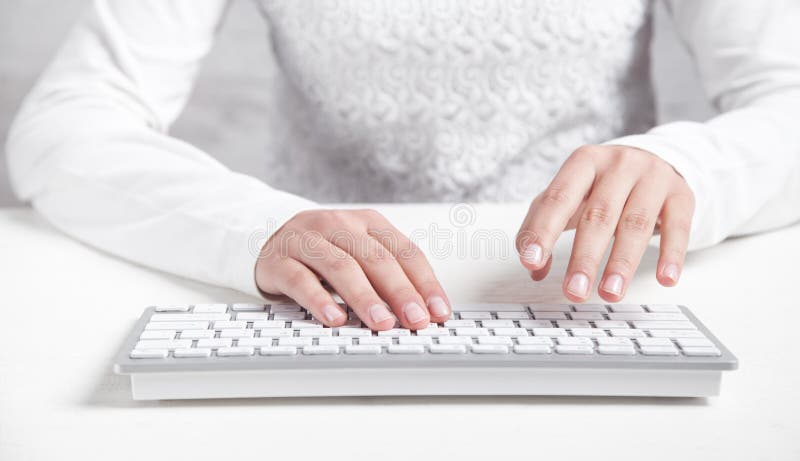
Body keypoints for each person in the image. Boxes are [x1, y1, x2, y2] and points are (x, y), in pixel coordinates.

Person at [6, 0, 800, 331]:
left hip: (591, 298)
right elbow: (66, 123)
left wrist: (688, 165)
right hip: (324, 316)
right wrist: (255, 226)